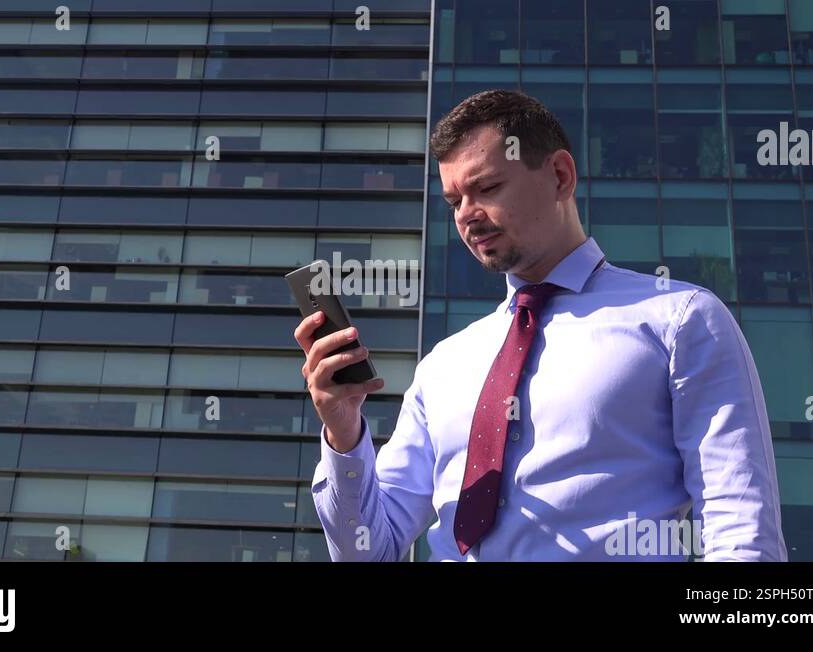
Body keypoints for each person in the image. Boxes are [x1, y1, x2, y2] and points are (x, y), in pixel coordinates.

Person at [293, 89, 787, 562]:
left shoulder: (678, 320)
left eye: (486, 187)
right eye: (453, 201)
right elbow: (367, 550)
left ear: (559, 176)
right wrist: (343, 432)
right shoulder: (444, 366)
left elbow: (741, 530)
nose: (466, 215)